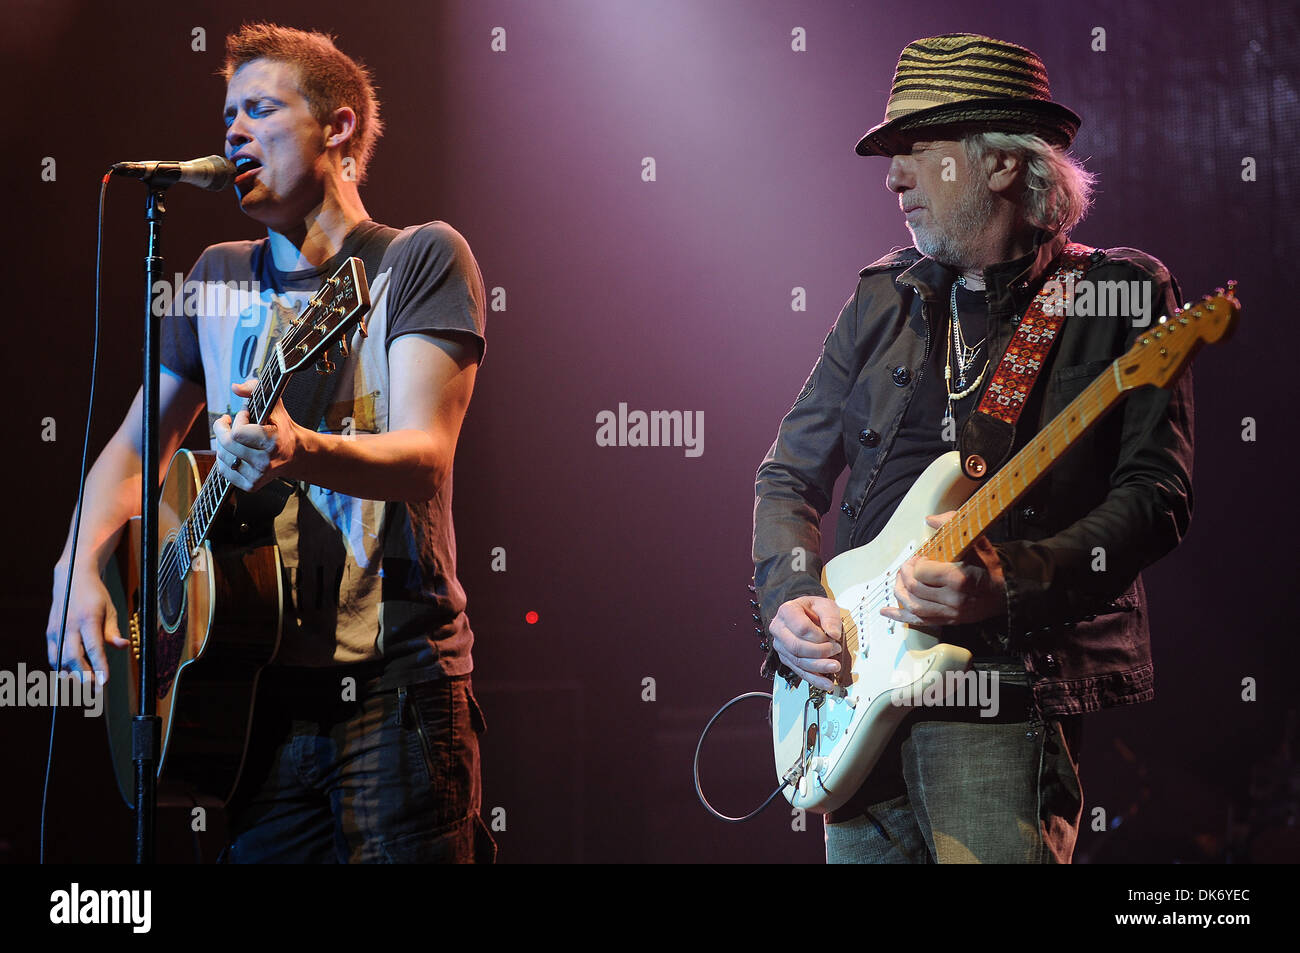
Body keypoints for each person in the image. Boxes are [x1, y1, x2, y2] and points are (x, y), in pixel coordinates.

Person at [46, 22, 494, 863]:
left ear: (339, 126)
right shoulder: (216, 275)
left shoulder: (419, 260)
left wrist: (301, 450)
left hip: (396, 693)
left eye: (259, 109)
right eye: (227, 118)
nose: (233, 133)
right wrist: (78, 560)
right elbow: (138, 451)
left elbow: (424, 459)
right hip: (252, 700)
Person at [752, 33, 1194, 864]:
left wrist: (1007, 584)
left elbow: (1155, 499)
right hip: (854, 704)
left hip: (1001, 699)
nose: (892, 178)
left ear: (998, 165)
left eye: (918, 150)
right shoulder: (884, 298)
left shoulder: (1116, 295)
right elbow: (787, 473)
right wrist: (788, 595)